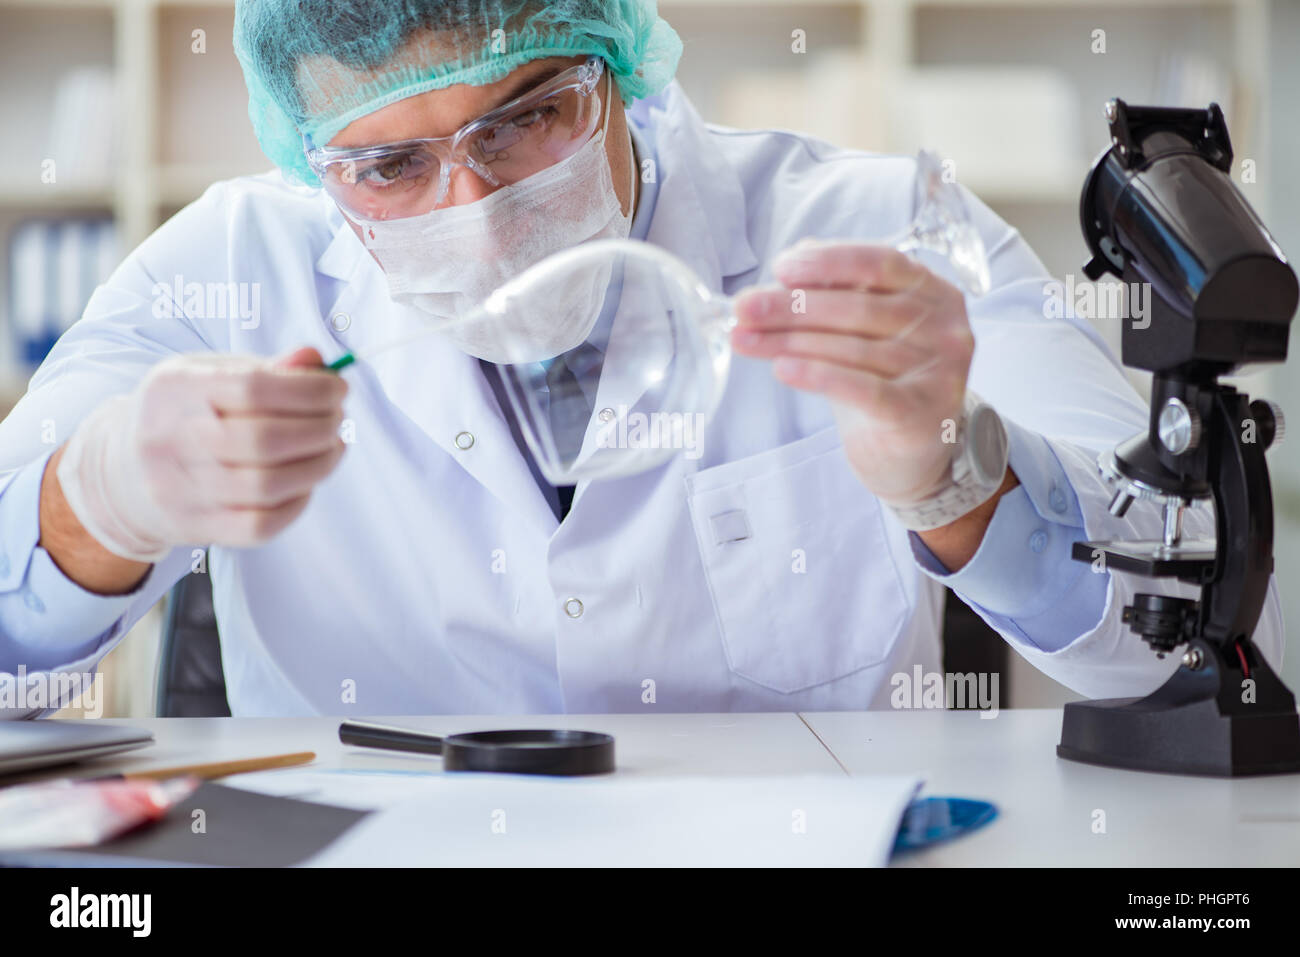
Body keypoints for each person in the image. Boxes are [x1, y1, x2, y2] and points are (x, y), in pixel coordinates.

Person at [0, 0, 1282, 717]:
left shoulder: (882, 226)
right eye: (391, 166)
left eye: (530, 116)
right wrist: (96, 500)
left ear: (616, 70)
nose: (477, 204)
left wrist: (958, 477)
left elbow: (1175, 647)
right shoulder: (227, 268)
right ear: (309, 161)